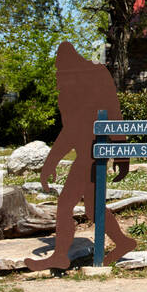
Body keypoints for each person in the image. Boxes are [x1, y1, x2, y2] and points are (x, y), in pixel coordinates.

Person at [27, 41, 136, 269]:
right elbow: (69, 133)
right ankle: (123, 242)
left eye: (64, 74)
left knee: (65, 205)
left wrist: (122, 155)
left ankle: (60, 256)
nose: (60, 80)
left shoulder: (94, 80)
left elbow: (114, 114)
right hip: (90, 153)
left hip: (93, 155)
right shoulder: (69, 93)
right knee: (92, 208)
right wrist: (51, 162)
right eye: (60, 75)